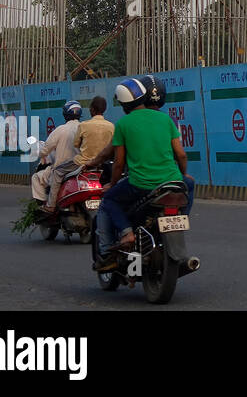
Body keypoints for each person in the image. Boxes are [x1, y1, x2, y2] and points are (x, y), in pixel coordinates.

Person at [93, 77, 195, 271]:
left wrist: (113, 184)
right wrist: (183, 174)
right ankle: (180, 220)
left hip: (140, 185)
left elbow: (119, 163)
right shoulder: (166, 119)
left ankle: (125, 234)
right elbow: (181, 154)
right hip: (171, 182)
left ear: (123, 104)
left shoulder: (123, 124)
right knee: (189, 184)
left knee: (108, 201)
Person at [42, 96, 113, 216]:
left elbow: (76, 144)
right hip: (104, 164)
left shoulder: (84, 125)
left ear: (92, 110)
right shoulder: (111, 126)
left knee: (57, 172)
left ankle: (51, 205)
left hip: (82, 162)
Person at [31, 101, 82, 205]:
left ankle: (46, 206)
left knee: (36, 178)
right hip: (83, 167)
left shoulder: (60, 130)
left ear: (65, 115)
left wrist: (40, 153)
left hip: (63, 168)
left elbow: (45, 150)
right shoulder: (85, 128)